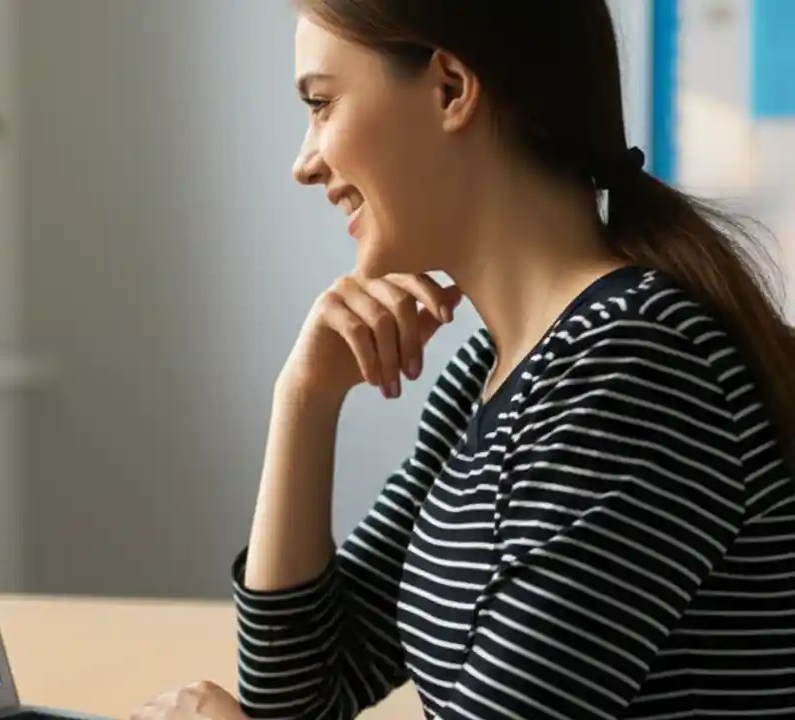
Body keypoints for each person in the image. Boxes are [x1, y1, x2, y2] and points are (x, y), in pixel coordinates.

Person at [130, 1, 795, 719]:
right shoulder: (496, 366)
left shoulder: (632, 370)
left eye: (322, 103)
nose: (304, 162)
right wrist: (304, 401)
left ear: (449, 88)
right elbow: (304, 696)